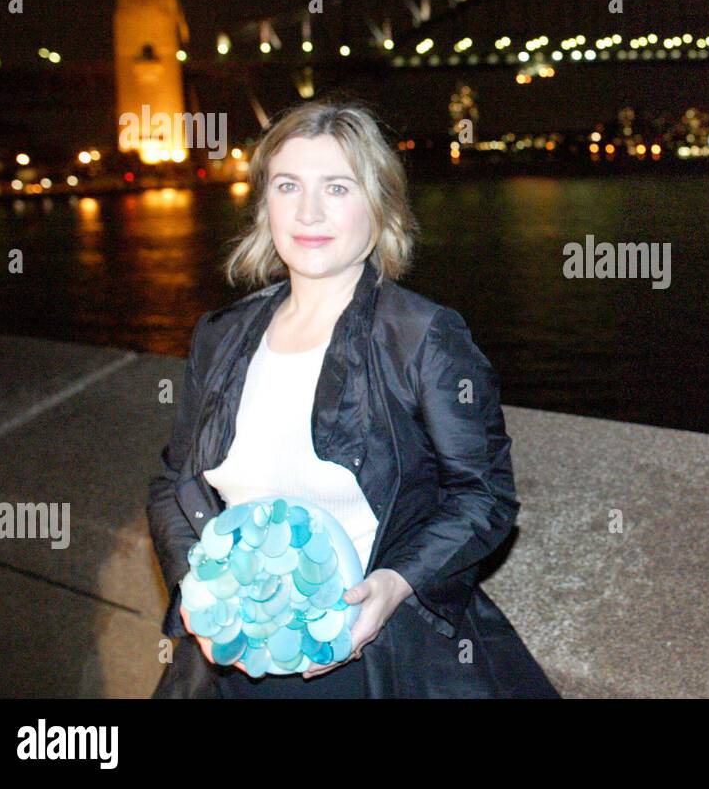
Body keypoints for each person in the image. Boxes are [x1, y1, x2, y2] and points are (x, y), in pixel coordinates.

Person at [146, 98, 560, 698]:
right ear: (265, 204)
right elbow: (172, 484)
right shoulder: (221, 335)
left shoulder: (423, 337)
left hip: (373, 661)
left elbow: (484, 495)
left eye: (337, 188)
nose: (308, 211)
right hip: (230, 667)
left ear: (380, 206)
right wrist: (204, 596)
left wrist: (394, 584)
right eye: (288, 185)